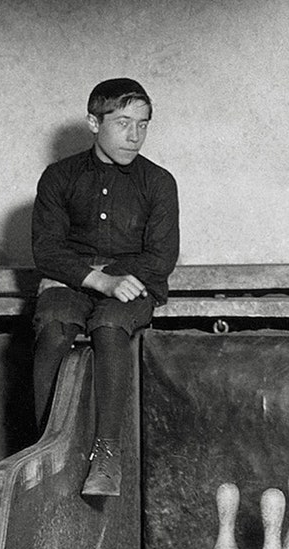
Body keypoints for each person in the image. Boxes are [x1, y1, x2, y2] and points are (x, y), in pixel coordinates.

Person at [31, 78, 179, 498]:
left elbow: (161, 257)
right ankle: (43, 447)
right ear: (93, 123)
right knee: (55, 322)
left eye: (143, 124)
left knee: (111, 325)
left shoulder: (158, 182)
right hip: (73, 281)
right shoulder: (59, 176)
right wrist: (98, 279)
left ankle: (107, 453)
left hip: (133, 285)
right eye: (122, 123)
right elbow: (46, 251)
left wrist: (117, 281)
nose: (134, 135)